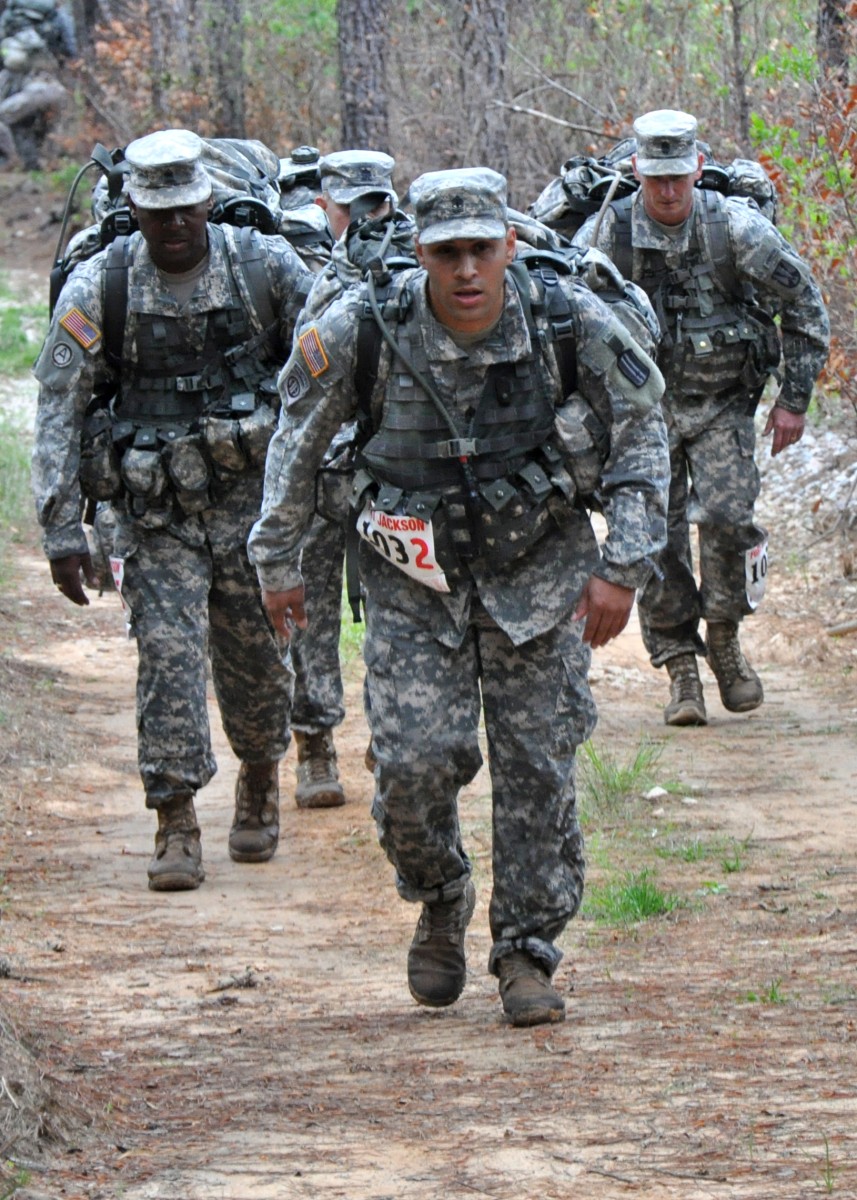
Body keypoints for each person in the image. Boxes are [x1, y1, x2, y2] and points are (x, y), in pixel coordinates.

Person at [248, 167, 670, 1026]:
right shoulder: (364, 327)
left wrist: (622, 569)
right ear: (419, 254)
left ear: (510, 245)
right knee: (411, 762)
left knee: (536, 770)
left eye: (483, 249)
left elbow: (640, 436)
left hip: (539, 574)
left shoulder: (567, 321)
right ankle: (439, 894)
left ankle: (525, 951)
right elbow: (296, 440)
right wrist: (276, 560)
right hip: (413, 584)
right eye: (448, 253)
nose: (468, 270)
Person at [31, 129, 312, 891]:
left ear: (206, 201)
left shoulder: (267, 268)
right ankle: (176, 816)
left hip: (252, 508)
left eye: (184, 208)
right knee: (167, 655)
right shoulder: (102, 286)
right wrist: (62, 529)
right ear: (135, 209)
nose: (173, 224)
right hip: (155, 513)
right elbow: (59, 406)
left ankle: (258, 777)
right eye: (157, 213)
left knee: (256, 655)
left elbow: (325, 371)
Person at [572, 109, 830, 727]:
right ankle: (680, 663)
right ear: (636, 170)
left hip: (721, 406)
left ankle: (724, 636)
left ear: (699, 169)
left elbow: (804, 305)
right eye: (654, 177)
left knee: (729, 517)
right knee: (653, 536)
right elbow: (565, 320)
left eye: (678, 178)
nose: (666, 191)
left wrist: (794, 398)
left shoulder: (737, 231)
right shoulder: (605, 235)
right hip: (643, 416)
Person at [285, 148, 403, 809]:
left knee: (402, 612)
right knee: (311, 612)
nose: (363, 218)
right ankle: (315, 743)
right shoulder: (291, 255)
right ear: (324, 206)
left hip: (390, 472)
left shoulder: (420, 256)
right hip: (319, 469)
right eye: (349, 207)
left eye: (375, 204)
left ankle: (392, 734)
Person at [0, 0, 75, 169]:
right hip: (47, 81)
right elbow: (70, 50)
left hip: (14, 82)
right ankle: (30, 163)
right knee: (45, 123)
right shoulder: (57, 15)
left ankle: (19, 162)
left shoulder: (11, 14)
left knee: (16, 119)